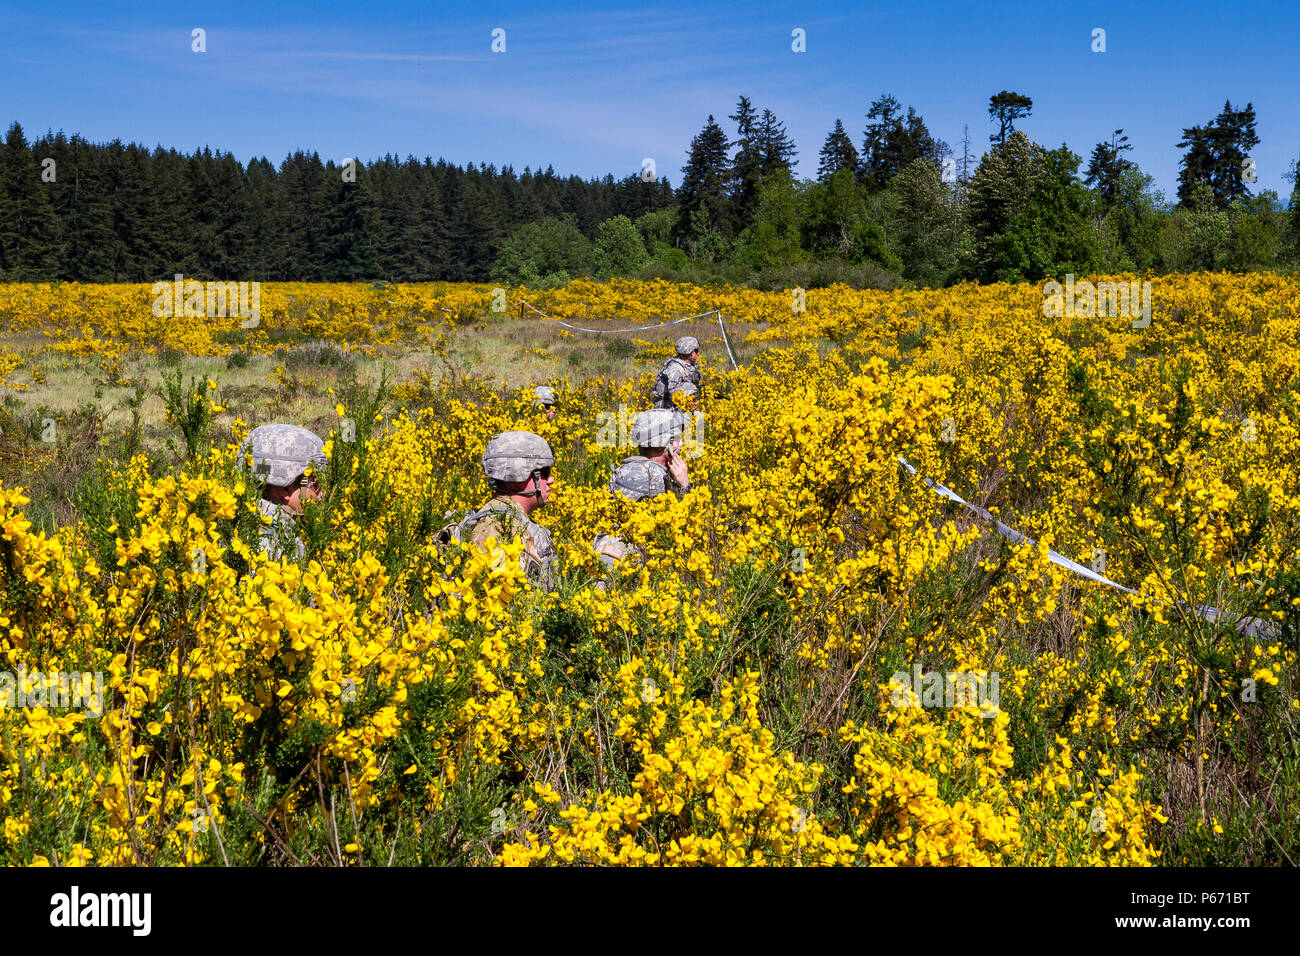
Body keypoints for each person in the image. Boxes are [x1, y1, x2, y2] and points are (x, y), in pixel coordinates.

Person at [458, 430, 558, 590]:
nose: (551, 480)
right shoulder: (495, 528)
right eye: (545, 473)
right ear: (519, 474)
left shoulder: (516, 521)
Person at [594, 410, 690, 570]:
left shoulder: (627, 468)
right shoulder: (654, 477)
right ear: (664, 442)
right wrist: (685, 486)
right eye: (677, 440)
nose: (681, 445)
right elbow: (683, 526)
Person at [236, 423, 327, 561]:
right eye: (316, 485)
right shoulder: (276, 547)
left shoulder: (241, 521)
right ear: (285, 488)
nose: (322, 494)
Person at [651, 335, 702, 411]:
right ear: (688, 352)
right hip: (667, 410)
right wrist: (692, 399)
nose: (698, 354)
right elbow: (675, 395)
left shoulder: (688, 366)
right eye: (696, 351)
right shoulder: (675, 368)